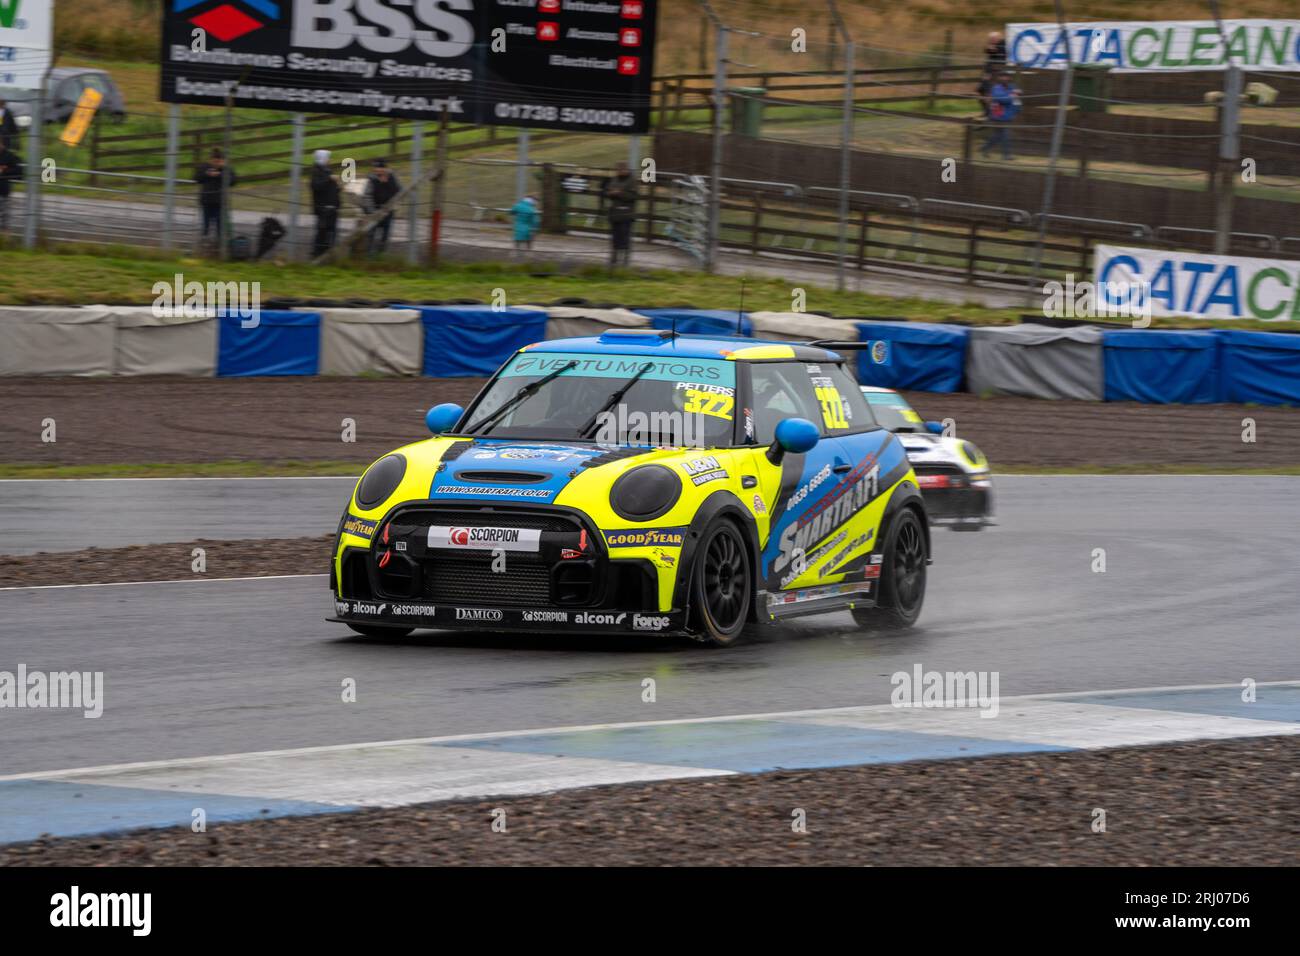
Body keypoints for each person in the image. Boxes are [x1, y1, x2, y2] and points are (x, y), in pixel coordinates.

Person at [193, 147, 235, 248]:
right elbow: (196, 178)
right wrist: (207, 174)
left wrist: (220, 173)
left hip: (220, 203)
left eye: (218, 161)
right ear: (210, 159)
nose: (216, 163)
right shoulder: (204, 167)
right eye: (214, 161)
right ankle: (203, 247)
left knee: (220, 228)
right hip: (206, 202)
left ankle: (219, 248)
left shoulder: (226, 169)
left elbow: (233, 181)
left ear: (222, 161)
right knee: (205, 227)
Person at [603, 162, 638, 267]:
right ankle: (614, 257)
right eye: (618, 170)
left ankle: (625, 259)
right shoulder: (614, 179)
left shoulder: (632, 181)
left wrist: (620, 193)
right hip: (614, 213)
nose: (619, 171)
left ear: (626, 170)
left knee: (625, 236)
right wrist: (610, 193)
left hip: (626, 214)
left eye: (622, 169)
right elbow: (607, 191)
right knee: (615, 236)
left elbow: (633, 197)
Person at [362, 158, 400, 255]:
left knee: (385, 236)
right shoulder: (372, 179)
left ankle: (381, 255)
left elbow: (398, 191)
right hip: (374, 212)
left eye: (378, 167)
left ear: (384, 168)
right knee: (371, 235)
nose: (375, 169)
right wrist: (372, 211)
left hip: (388, 212)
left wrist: (387, 182)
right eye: (375, 167)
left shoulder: (392, 177)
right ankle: (368, 255)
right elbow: (367, 195)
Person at [980, 72, 1021, 161]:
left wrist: (1017, 111)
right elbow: (1002, 99)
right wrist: (1012, 95)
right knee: (1005, 135)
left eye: (1006, 76)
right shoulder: (996, 88)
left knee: (998, 135)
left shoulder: (1012, 87)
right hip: (998, 115)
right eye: (1002, 77)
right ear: (999, 78)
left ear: (1009, 78)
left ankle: (985, 148)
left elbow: (1016, 100)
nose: (1004, 78)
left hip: (1008, 115)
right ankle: (1006, 155)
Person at [310, 148, 340, 258]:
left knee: (331, 233)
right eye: (328, 158)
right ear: (323, 159)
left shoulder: (326, 170)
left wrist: (337, 188)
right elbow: (316, 186)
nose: (330, 160)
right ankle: (317, 255)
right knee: (322, 232)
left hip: (332, 207)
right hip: (323, 208)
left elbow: (329, 188)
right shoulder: (316, 172)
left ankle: (327, 255)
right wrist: (330, 179)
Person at [0, 138, 22, 234]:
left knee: (5, 215)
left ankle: (5, 234)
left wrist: (4, 171)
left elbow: (18, 171)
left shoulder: (9, 156)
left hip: (3, 191)